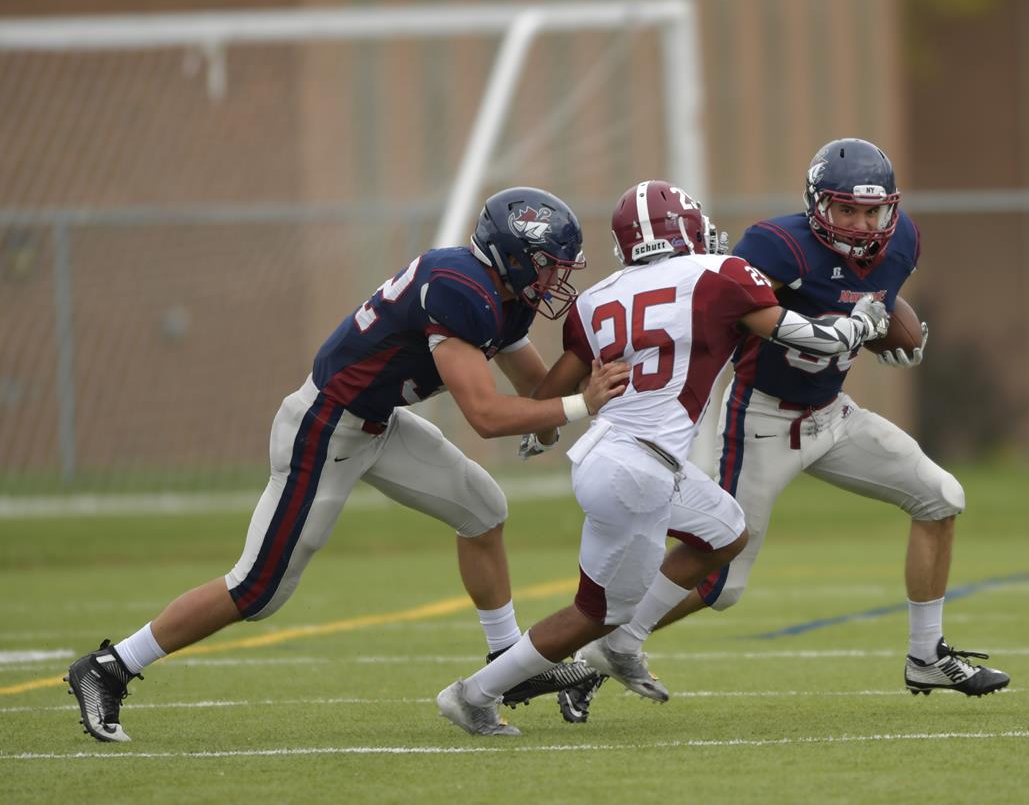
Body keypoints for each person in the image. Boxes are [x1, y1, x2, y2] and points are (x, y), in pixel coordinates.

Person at [64, 186, 630, 743]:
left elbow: (534, 392)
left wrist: (587, 375)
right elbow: (484, 415)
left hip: (378, 422)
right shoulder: (461, 289)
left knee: (483, 509)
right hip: (325, 426)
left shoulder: (503, 298)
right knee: (258, 588)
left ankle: (509, 663)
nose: (555, 278)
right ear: (512, 255)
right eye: (547, 264)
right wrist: (578, 405)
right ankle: (111, 666)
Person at [556, 139, 1006, 724]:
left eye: (872, 211)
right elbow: (732, 312)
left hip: (832, 413)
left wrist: (891, 331)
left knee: (941, 496)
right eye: (847, 210)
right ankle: (596, 658)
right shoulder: (776, 245)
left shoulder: (903, 242)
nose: (861, 224)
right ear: (818, 205)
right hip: (762, 415)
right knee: (721, 581)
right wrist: (840, 326)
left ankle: (926, 656)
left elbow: (878, 301)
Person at [434, 179, 889, 735]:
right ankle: (473, 695)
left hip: (621, 456)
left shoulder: (594, 300)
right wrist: (863, 322)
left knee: (726, 532)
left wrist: (548, 430)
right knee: (593, 614)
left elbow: (545, 402)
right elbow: (813, 337)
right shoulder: (720, 275)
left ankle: (621, 646)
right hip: (638, 470)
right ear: (687, 229)